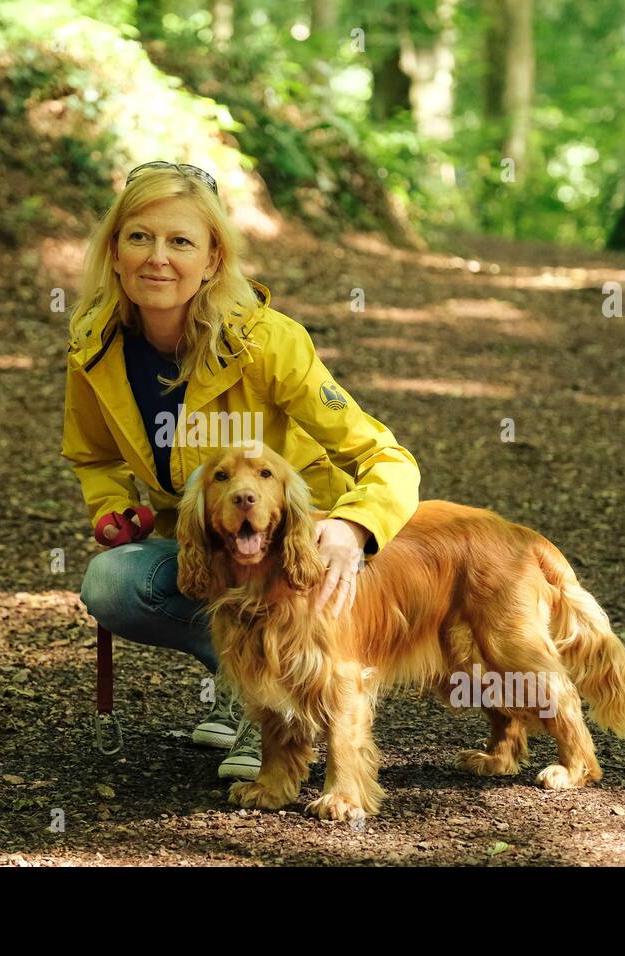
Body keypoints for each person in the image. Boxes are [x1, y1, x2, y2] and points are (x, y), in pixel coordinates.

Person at [63, 160, 421, 780]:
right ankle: (250, 686)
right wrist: (113, 509)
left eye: (181, 241)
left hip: (302, 557)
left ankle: (281, 705)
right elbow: (93, 455)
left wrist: (352, 529)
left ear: (213, 260)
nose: (158, 259)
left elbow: (387, 457)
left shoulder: (267, 343)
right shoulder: (95, 344)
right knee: (111, 584)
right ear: (115, 252)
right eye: (139, 237)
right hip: (214, 549)